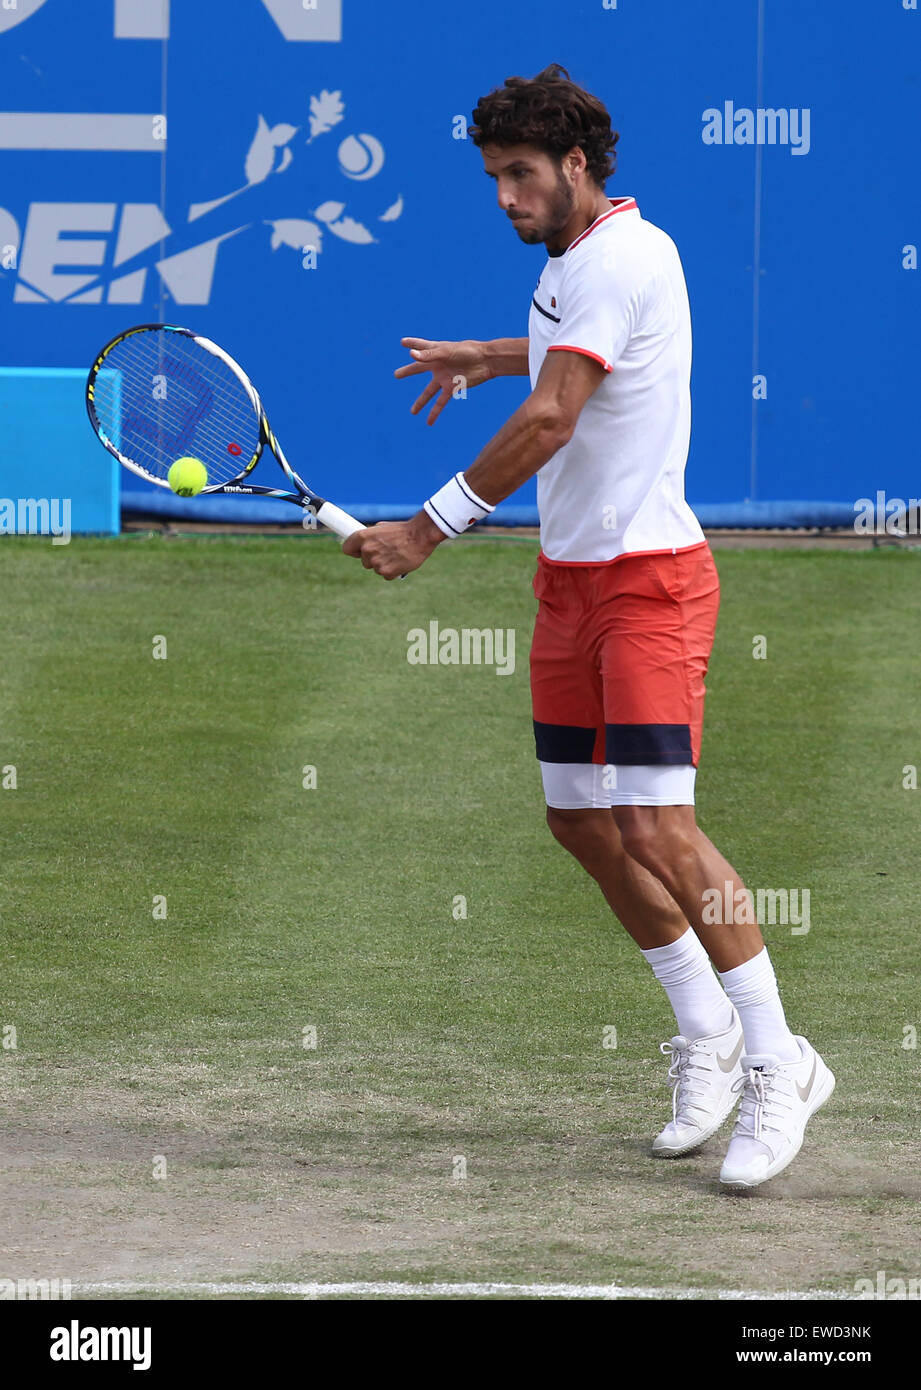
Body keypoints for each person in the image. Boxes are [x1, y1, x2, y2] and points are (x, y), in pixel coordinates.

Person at [343, 63, 833, 1188]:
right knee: (581, 824)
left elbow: (559, 412)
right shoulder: (582, 259)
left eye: (520, 175)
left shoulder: (621, 253)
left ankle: (780, 1058)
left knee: (660, 826)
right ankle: (704, 1032)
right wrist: (489, 350)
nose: (505, 197)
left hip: (650, 585)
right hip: (571, 584)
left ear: (577, 165)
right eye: (492, 179)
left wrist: (430, 526)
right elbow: (574, 353)